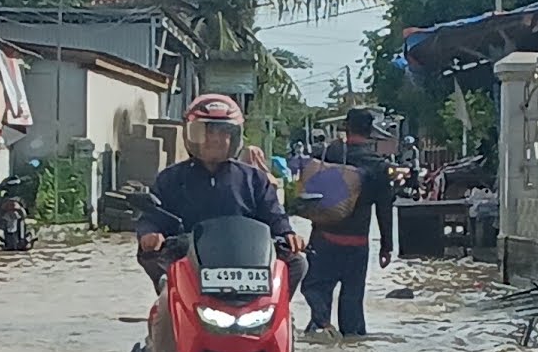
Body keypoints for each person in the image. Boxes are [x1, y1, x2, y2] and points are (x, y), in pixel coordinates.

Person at [137, 94, 307, 294]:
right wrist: (149, 235)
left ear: (234, 137)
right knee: (149, 257)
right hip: (187, 257)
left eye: (224, 132)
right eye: (207, 131)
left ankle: (276, 318)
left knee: (297, 263)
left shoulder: (254, 179)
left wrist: (287, 233)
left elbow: (274, 214)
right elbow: (153, 215)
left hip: (246, 258)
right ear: (192, 135)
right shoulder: (170, 178)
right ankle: (169, 310)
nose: (215, 139)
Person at [300, 108, 395, 338]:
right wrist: (386, 245)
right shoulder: (379, 166)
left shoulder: (330, 153)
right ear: (371, 132)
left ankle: (320, 329)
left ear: (346, 127)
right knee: (352, 302)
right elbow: (384, 209)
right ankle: (353, 350)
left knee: (316, 288)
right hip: (357, 243)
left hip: (324, 238)